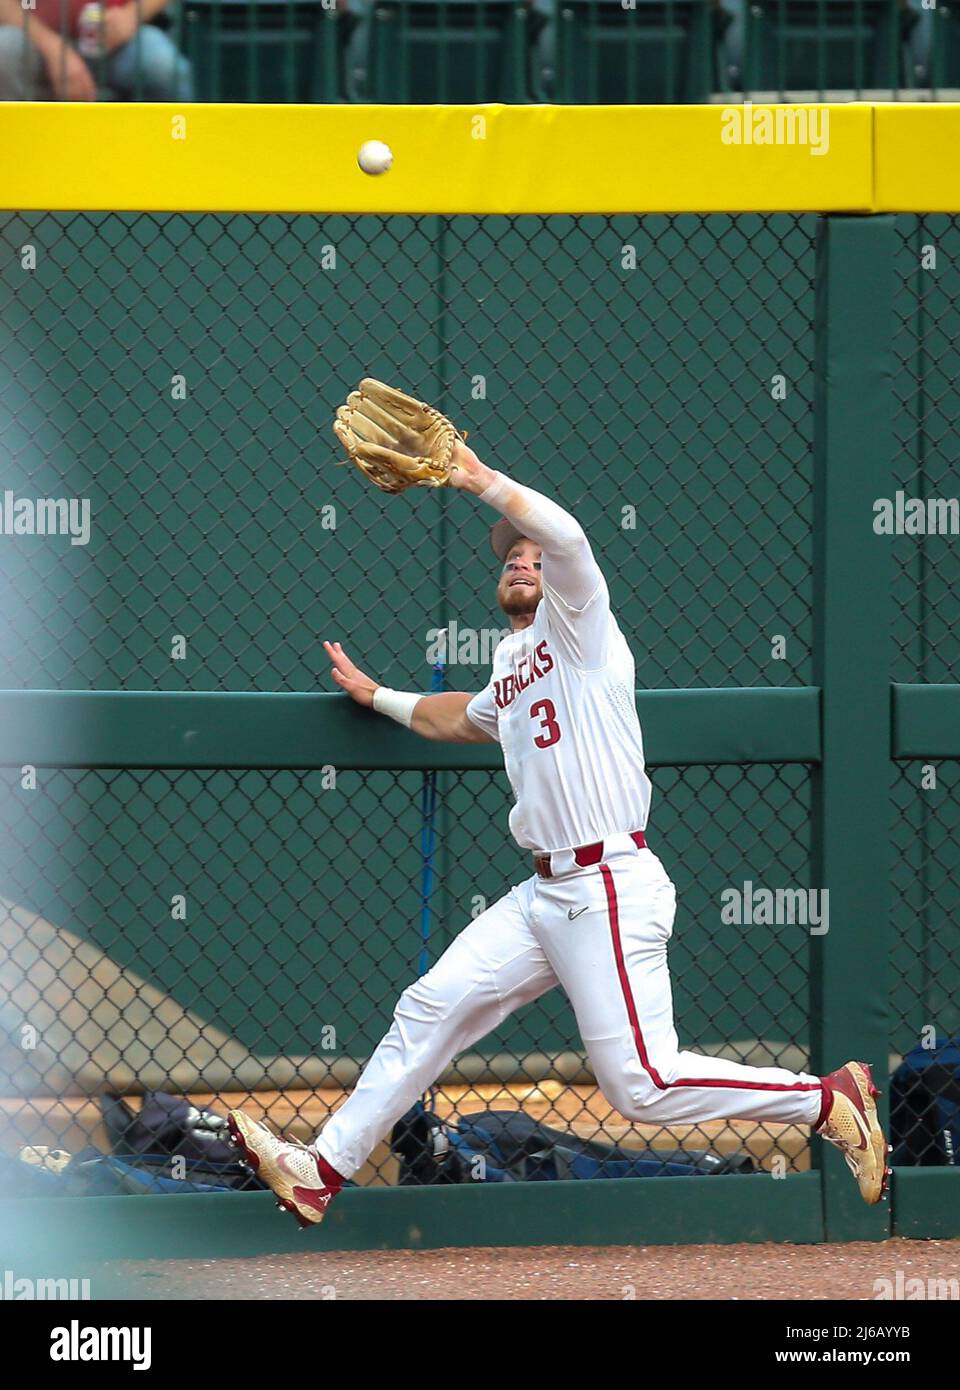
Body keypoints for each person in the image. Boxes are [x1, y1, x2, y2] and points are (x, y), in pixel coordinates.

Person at [228, 437, 890, 1226]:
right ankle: (321, 1171)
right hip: (546, 893)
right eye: (513, 556)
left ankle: (826, 1100)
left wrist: (480, 481)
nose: (523, 561)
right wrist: (379, 697)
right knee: (431, 1006)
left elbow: (571, 538)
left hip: (607, 884)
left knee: (639, 1084)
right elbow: (459, 719)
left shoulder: (582, 629)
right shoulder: (514, 660)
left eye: (534, 557)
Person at [0, 0, 192, 102]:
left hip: (116, 40)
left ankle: (167, 158)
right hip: (35, 39)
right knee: (4, 50)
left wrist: (131, 15)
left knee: (162, 63)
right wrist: (55, 49)